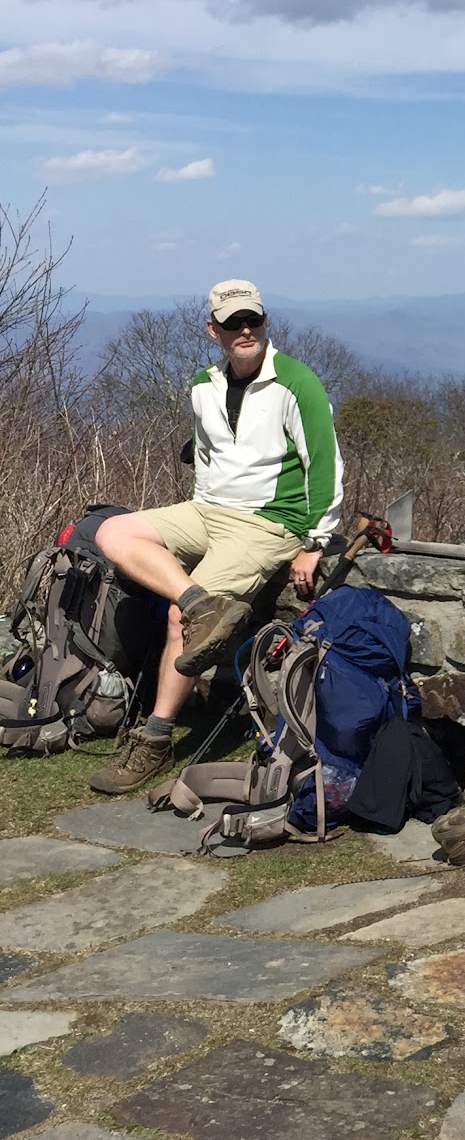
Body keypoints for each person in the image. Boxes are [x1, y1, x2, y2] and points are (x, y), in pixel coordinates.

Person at [87, 279, 344, 794]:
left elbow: (325, 463)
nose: (245, 330)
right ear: (213, 329)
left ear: (265, 321)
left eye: (253, 319)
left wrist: (314, 542)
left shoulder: (297, 383)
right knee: (111, 530)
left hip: (268, 520)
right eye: (232, 322)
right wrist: (195, 515)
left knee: (178, 621)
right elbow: (205, 457)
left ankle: (155, 739)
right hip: (206, 509)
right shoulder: (202, 383)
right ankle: (202, 604)